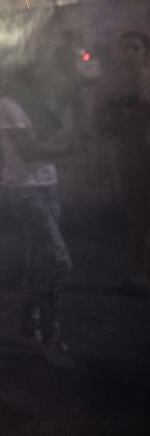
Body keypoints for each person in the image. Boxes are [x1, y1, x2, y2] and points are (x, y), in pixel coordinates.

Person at [0, 61, 73, 354]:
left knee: (37, 260)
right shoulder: (7, 104)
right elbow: (29, 151)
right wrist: (54, 147)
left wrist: (48, 145)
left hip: (48, 186)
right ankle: (51, 336)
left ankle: (29, 329)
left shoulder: (43, 103)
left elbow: (69, 140)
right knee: (58, 260)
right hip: (23, 189)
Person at [95, 30, 150, 295]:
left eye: (135, 48)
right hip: (128, 158)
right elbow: (99, 122)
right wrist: (112, 119)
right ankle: (139, 275)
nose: (129, 54)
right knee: (136, 221)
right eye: (125, 48)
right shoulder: (109, 83)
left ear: (144, 52)